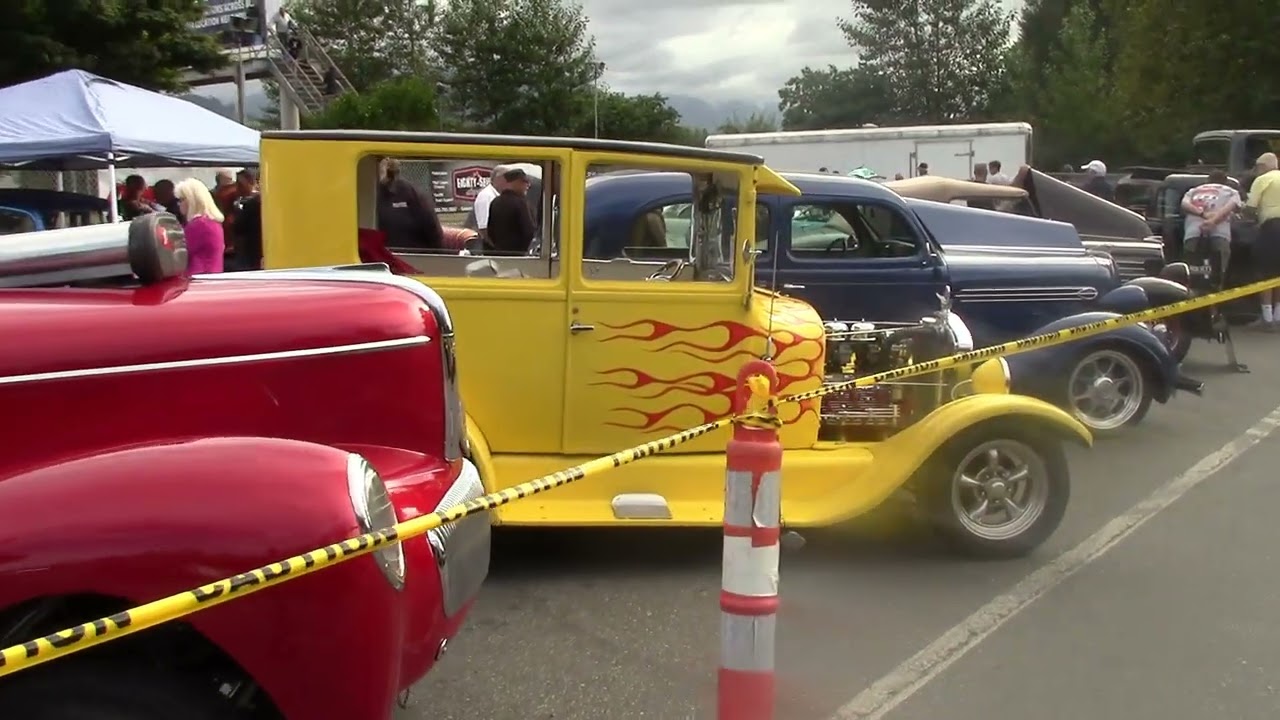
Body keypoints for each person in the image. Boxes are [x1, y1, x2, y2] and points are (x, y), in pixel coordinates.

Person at [1180, 169, 1242, 280]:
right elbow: (1228, 208)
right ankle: (1216, 290)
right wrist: (1213, 221)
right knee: (1219, 270)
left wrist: (1202, 214)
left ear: (1207, 181)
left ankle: (1192, 289)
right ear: (1225, 181)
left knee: (1191, 268)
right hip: (1220, 232)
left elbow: (1184, 204)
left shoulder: (1193, 190)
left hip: (1193, 231)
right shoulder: (1231, 191)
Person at [376, 157, 444, 249]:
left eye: (380, 160)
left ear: (388, 163)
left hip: (411, 257)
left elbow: (435, 234)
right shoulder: (357, 193)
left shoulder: (412, 194)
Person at [1245, 152, 1280, 325]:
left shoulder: (1263, 179)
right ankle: (1278, 315)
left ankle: (1267, 318)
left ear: (1263, 166)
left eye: (1257, 167)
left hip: (1272, 228)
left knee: (1264, 272)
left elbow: (1250, 208)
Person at [174, 178, 225, 275]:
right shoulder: (212, 222)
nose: (179, 204)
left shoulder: (198, 225)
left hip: (199, 278)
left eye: (181, 200)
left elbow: (178, 254)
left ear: (191, 200)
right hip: (212, 276)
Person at [485, 167, 538, 254]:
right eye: (524, 182)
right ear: (515, 182)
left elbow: (490, 231)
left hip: (499, 253)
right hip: (518, 254)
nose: (527, 185)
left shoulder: (495, 202)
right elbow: (528, 231)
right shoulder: (520, 203)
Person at [465, 164, 511, 241]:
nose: (510, 183)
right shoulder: (486, 196)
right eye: (508, 179)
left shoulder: (500, 195)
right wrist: (496, 248)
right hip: (485, 245)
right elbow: (484, 229)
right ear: (499, 179)